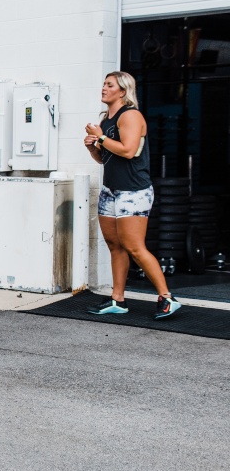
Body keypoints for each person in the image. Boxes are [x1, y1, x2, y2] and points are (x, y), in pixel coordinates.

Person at [84, 71, 181, 319]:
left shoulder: (131, 116)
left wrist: (102, 137)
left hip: (133, 191)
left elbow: (127, 151)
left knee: (134, 247)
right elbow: (105, 158)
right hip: (110, 189)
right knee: (115, 245)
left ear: (123, 91)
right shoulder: (106, 119)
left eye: (109, 85)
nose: (103, 88)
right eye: (103, 84)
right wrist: (92, 147)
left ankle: (167, 298)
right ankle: (118, 300)